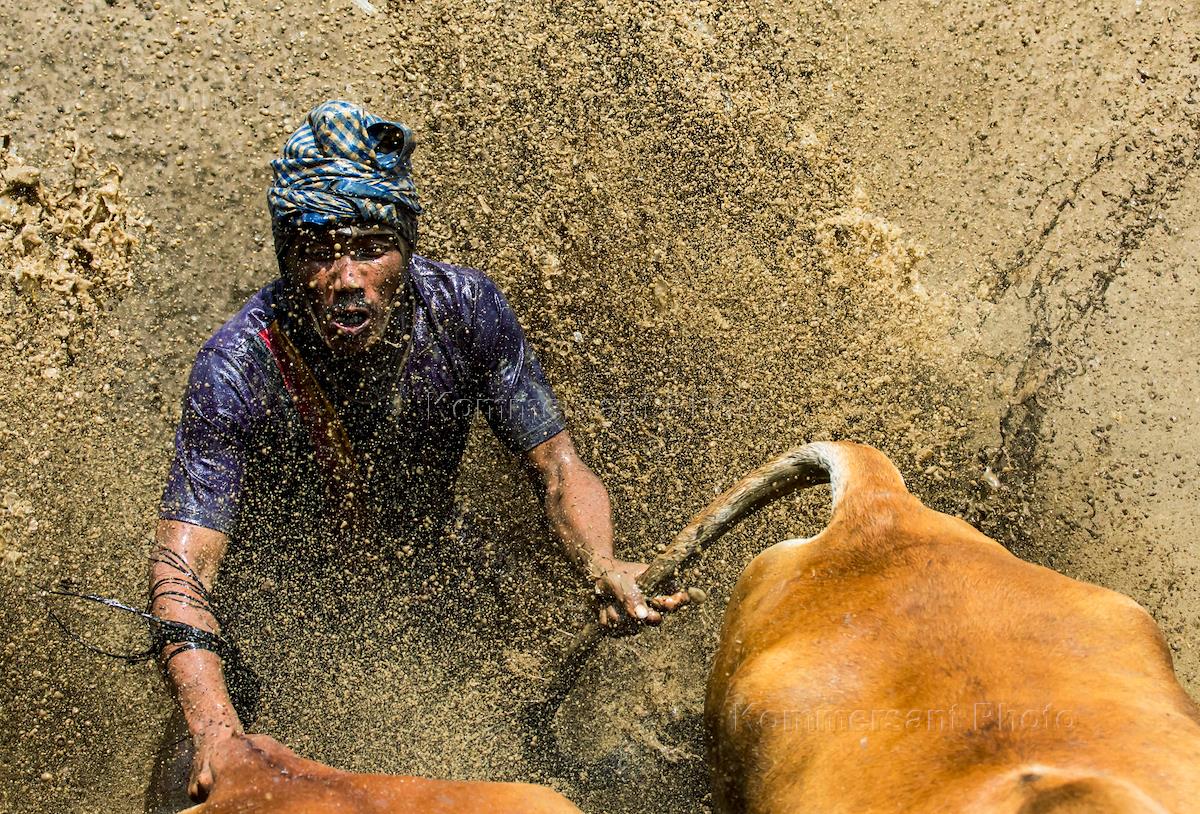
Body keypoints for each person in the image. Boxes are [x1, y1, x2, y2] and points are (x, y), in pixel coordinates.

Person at [147, 100, 688, 809]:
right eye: (316, 249)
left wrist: (601, 561)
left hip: (430, 571)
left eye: (370, 246)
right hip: (276, 615)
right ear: (287, 259)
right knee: (192, 783)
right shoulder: (238, 365)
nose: (346, 278)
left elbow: (557, 467)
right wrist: (217, 733)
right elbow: (183, 566)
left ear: (406, 244)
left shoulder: (465, 308)